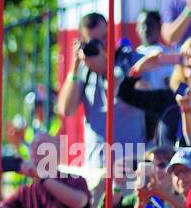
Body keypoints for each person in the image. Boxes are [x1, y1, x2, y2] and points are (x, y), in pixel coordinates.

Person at [56, 16, 146, 173]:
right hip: (97, 166)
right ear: (83, 43)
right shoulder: (83, 70)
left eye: (105, 36)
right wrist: (75, 67)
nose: (102, 44)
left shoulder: (130, 60)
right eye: (94, 41)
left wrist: (105, 71)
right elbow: (66, 109)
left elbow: (143, 93)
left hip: (131, 165)